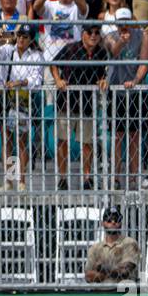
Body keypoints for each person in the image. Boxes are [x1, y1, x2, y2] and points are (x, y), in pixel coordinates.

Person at [0, 23, 45, 192]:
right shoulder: (9, 50)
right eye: (19, 35)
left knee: (21, 140)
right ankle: (9, 179)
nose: (21, 39)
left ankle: (21, 180)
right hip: (5, 96)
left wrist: (19, 83)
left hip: (22, 97)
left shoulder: (37, 55)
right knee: (6, 140)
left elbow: (36, 79)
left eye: (25, 37)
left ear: (31, 39)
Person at [51, 21, 108, 192]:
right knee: (63, 142)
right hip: (66, 103)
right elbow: (54, 64)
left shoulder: (101, 53)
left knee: (87, 144)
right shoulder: (71, 49)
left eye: (97, 32)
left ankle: (87, 178)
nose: (93, 35)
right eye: (90, 32)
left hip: (87, 105)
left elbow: (102, 74)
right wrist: (58, 80)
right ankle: (62, 178)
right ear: (83, 33)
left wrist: (103, 80)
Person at [105, 8, 148, 191]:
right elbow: (113, 52)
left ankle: (133, 177)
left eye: (127, 21)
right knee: (117, 137)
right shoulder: (110, 36)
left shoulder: (142, 35)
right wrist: (121, 42)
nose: (124, 25)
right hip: (116, 91)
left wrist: (136, 81)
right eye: (120, 22)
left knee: (134, 137)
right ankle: (115, 177)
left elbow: (144, 62)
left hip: (135, 91)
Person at [85, 206, 141, 283]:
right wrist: (114, 270)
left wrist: (102, 268)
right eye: (109, 220)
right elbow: (88, 277)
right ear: (102, 223)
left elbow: (124, 272)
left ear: (121, 223)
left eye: (116, 219)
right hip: (100, 291)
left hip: (123, 291)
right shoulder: (95, 248)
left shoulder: (129, 243)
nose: (113, 222)